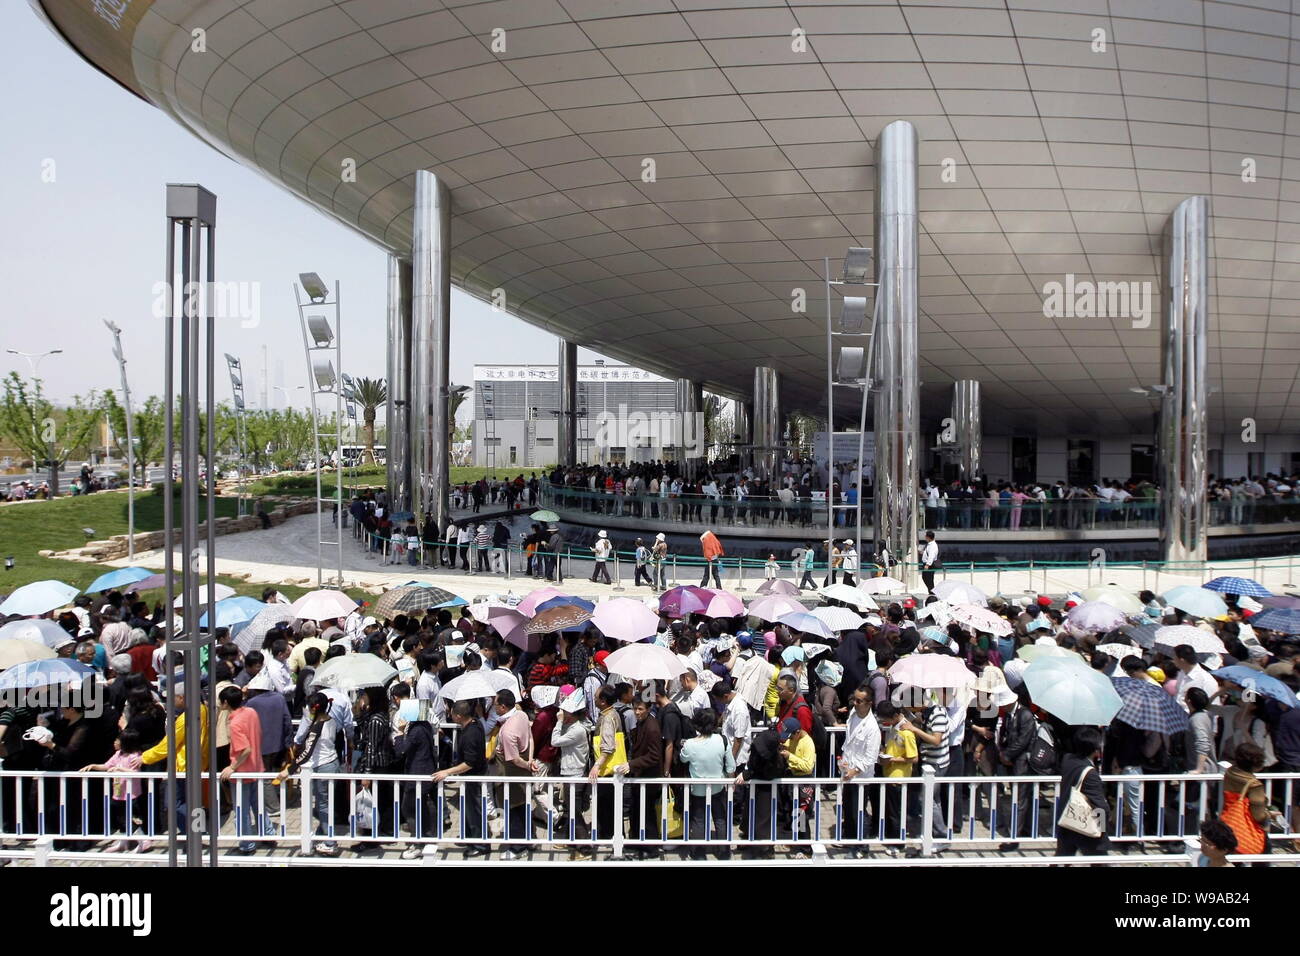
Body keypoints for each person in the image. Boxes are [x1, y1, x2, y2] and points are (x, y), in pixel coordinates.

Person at [276, 691, 341, 857]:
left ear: (313, 708)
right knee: (325, 804)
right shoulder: (331, 720)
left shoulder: (317, 727)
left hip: (323, 766)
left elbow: (307, 752)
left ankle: (330, 843)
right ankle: (323, 834)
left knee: (323, 805)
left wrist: (289, 769)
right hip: (331, 762)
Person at [432, 701, 488, 856]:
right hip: (471, 778)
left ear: (458, 716)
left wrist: (448, 772)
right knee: (469, 810)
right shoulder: (474, 725)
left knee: (475, 811)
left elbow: (469, 763)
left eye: (451, 713)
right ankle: (470, 837)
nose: (449, 715)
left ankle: (481, 845)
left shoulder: (471, 733)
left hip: (474, 778)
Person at [678, 708, 734, 859]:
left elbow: (683, 759)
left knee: (699, 820)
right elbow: (731, 767)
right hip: (718, 787)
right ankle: (723, 852)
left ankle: (698, 852)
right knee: (720, 819)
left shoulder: (690, 744)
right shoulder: (722, 740)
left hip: (698, 789)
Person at [493, 690, 538, 860]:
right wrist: (531, 760)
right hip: (523, 769)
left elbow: (514, 759)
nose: (494, 707)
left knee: (513, 809)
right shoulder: (522, 715)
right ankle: (530, 838)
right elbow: (531, 739)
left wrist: (527, 764)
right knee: (524, 806)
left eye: (495, 704)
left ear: (503, 707)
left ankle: (518, 847)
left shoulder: (507, 732)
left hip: (512, 773)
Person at [218, 685, 264, 855]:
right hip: (257, 767)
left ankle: (246, 844)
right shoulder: (251, 712)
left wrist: (232, 767)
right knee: (258, 806)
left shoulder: (235, 723)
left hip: (243, 772)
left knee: (241, 810)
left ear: (225, 702)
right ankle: (267, 834)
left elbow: (245, 749)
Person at [838, 680, 880, 854]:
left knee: (859, 810)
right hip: (847, 770)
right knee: (848, 808)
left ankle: (862, 845)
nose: (855, 703)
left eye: (859, 701)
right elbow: (849, 741)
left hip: (860, 776)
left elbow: (870, 758)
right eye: (854, 699)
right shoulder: (853, 715)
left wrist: (853, 771)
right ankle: (849, 839)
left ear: (869, 703)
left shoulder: (872, 728)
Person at [1055, 726, 1108, 858]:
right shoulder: (1090, 774)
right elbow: (1100, 805)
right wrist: (1103, 827)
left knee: (1063, 857)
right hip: (1084, 824)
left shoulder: (1067, 760)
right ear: (1095, 750)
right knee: (1099, 859)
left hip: (1067, 819)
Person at [552, 692, 592, 859]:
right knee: (570, 809)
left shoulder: (577, 731)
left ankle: (584, 848)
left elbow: (555, 741)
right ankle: (570, 839)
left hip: (575, 775)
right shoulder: (575, 726)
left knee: (575, 812)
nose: (563, 715)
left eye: (566, 713)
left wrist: (559, 721)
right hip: (571, 773)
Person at [588, 685, 625, 850]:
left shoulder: (608, 718)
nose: (594, 699)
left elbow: (608, 746)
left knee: (607, 806)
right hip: (613, 770)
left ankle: (610, 837)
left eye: (596, 697)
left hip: (608, 770)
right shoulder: (612, 713)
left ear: (603, 701)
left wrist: (596, 766)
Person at [1220, 741, 1271, 859]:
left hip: (1229, 821)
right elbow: (1258, 815)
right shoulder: (1254, 784)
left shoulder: (1230, 773)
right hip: (1246, 828)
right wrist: (1268, 815)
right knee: (1262, 857)